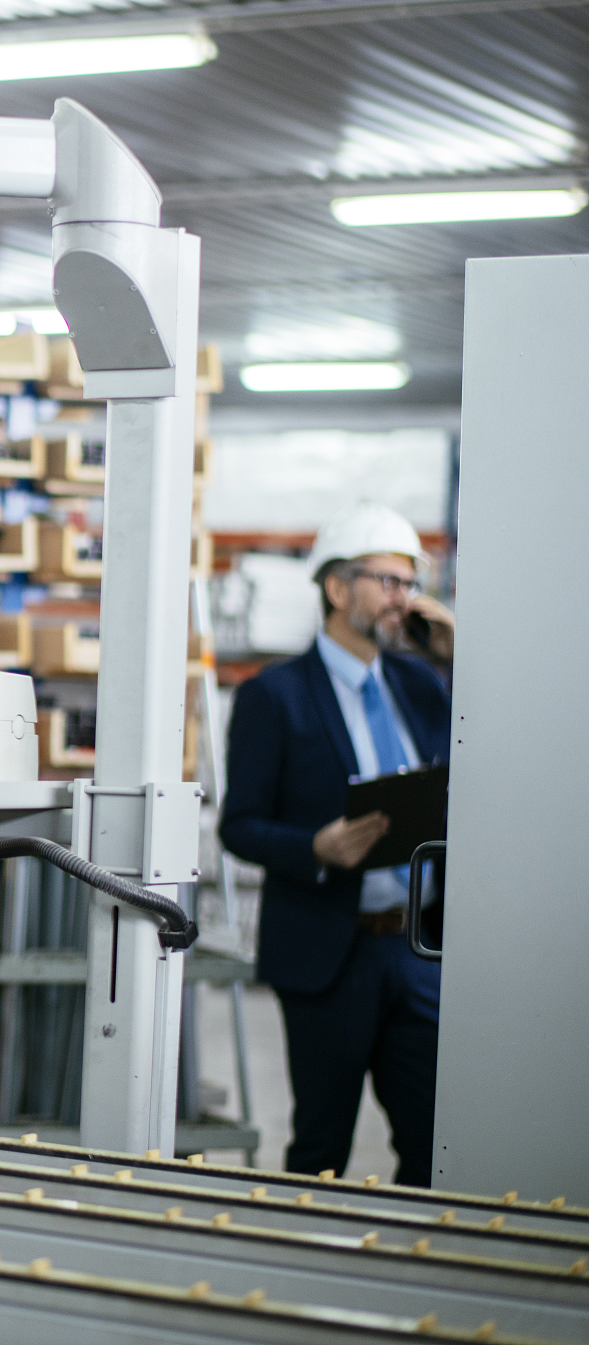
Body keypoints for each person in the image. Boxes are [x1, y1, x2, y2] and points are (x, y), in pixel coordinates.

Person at [220, 502, 454, 1186]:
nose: (400, 597)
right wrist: (317, 847)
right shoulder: (277, 695)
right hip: (330, 952)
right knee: (321, 1146)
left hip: (417, 951)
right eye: (385, 579)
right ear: (336, 587)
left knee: (434, 1140)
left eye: (408, 583)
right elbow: (240, 824)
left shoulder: (423, 681)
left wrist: (460, 659)